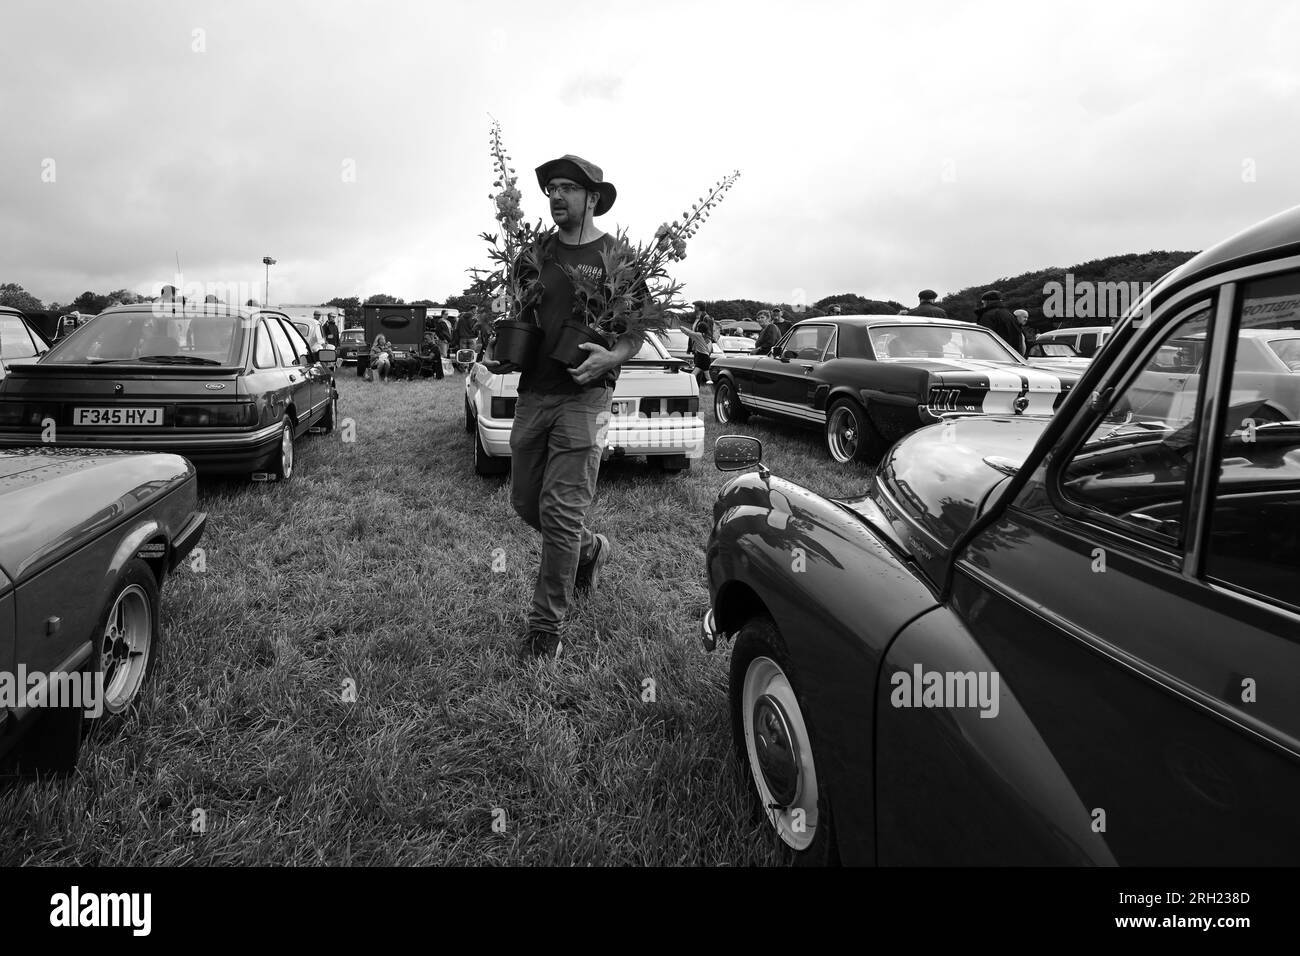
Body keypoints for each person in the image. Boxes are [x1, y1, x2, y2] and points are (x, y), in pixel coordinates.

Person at [487, 153, 647, 660]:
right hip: (534, 391)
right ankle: (588, 550)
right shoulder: (534, 253)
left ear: (593, 198)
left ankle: (545, 628)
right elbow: (518, 314)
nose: (556, 196)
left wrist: (611, 358)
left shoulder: (616, 256)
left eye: (568, 189)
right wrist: (502, 349)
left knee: (560, 511)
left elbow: (636, 331)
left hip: (587, 398)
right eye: (551, 188)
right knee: (524, 502)